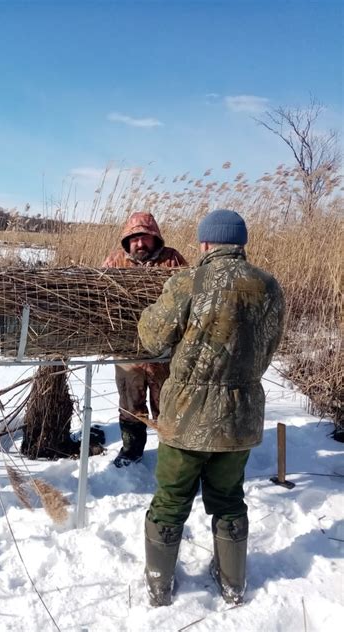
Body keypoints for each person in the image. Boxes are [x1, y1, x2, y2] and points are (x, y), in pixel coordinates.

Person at [138, 209, 285, 606]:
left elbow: (153, 338)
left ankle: (159, 586)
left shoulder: (187, 281)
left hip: (186, 417)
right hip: (239, 417)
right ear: (242, 244)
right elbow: (269, 348)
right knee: (229, 498)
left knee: (170, 499)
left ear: (205, 244)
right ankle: (233, 584)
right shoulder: (269, 287)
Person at [102, 212, 186, 467]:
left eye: (145, 238)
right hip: (128, 350)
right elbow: (100, 300)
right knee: (130, 402)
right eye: (135, 238)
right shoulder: (114, 262)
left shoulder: (172, 259)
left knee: (168, 404)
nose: (140, 244)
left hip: (165, 352)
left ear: (155, 238)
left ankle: (171, 454)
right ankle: (131, 450)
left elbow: (188, 295)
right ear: (127, 240)